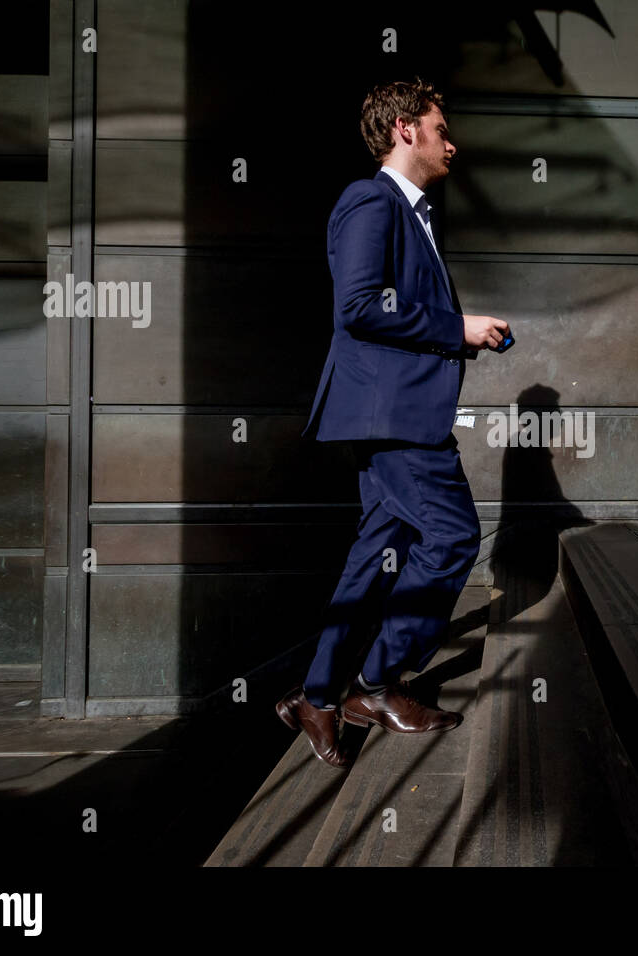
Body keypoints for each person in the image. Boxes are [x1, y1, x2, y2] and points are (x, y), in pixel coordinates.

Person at [276, 78, 511, 769]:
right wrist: (457, 329)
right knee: (454, 534)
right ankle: (376, 685)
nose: (451, 142)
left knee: (371, 554)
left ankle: (317, 695)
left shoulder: (411, 212)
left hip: (390, 411)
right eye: (441, 129)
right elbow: (357, 307)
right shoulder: (369, 201)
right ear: (405, 129)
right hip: (392, 415)